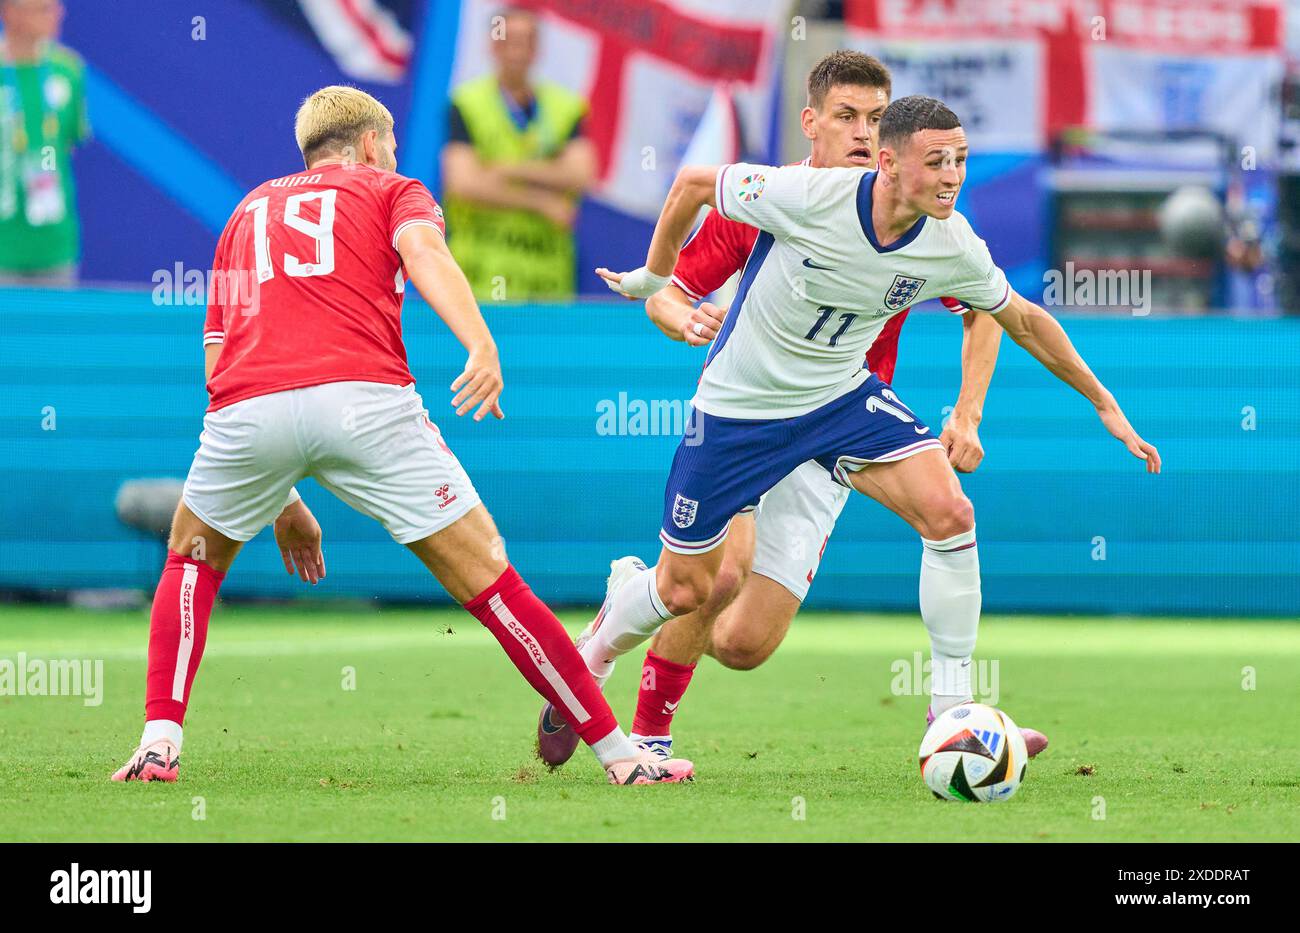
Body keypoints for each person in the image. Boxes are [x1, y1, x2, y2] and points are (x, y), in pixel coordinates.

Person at [109, 85, 691, 787]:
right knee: (494, 581)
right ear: (366, 145)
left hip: (248, 409)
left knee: (191, 561)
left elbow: (218, 352)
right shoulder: (392, 188)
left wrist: (281, 499)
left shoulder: (244, 212)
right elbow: (427, 257)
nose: (389, 155)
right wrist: (480, 342)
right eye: (385, 145)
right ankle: (622, 757)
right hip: (364, 402)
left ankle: (158, 744)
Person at [583, 95, 1161, 776]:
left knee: (945, 514)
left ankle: (951, 711)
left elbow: (1016, 318)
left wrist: (1101, 402)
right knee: (695, 587)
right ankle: (611, 655)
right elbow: (688, 189)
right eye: (937, 162)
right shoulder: (801, 194)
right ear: (887, 162)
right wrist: (654, 282)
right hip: (744, 409)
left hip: (837, 399)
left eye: (961, 161)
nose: (952, 176)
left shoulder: (951, 241)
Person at [536, 52, 1039, 767]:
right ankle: (650, 728)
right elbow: (666, 287)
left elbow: (988, 310)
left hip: (845, 420)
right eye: (847, 116)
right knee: (719, 575)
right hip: (753, 410)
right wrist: (678, 314)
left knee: (744, 645)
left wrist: (968, 412)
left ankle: (636, 593)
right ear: (811, 122)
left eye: (876, 118)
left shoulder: (922, 215)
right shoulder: (776, 197)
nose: (864, 132)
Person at [441, 6, 594, 300]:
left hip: (546, 280)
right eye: (508, 41)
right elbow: (464, 183)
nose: (517, 52)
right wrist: (541, 200)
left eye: (526, 42)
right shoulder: (467, 103)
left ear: (538, 49)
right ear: (492, 46)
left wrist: (505, 170)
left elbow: (580, 173)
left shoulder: (565, 107)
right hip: (479, 275)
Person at [0, 0, 89, 285]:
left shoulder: (69, 70)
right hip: (3, 248)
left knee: (56, 329)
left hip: (55, 247)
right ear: (11, 13)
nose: (57, 15)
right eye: (43, 8)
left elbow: (68, 144)